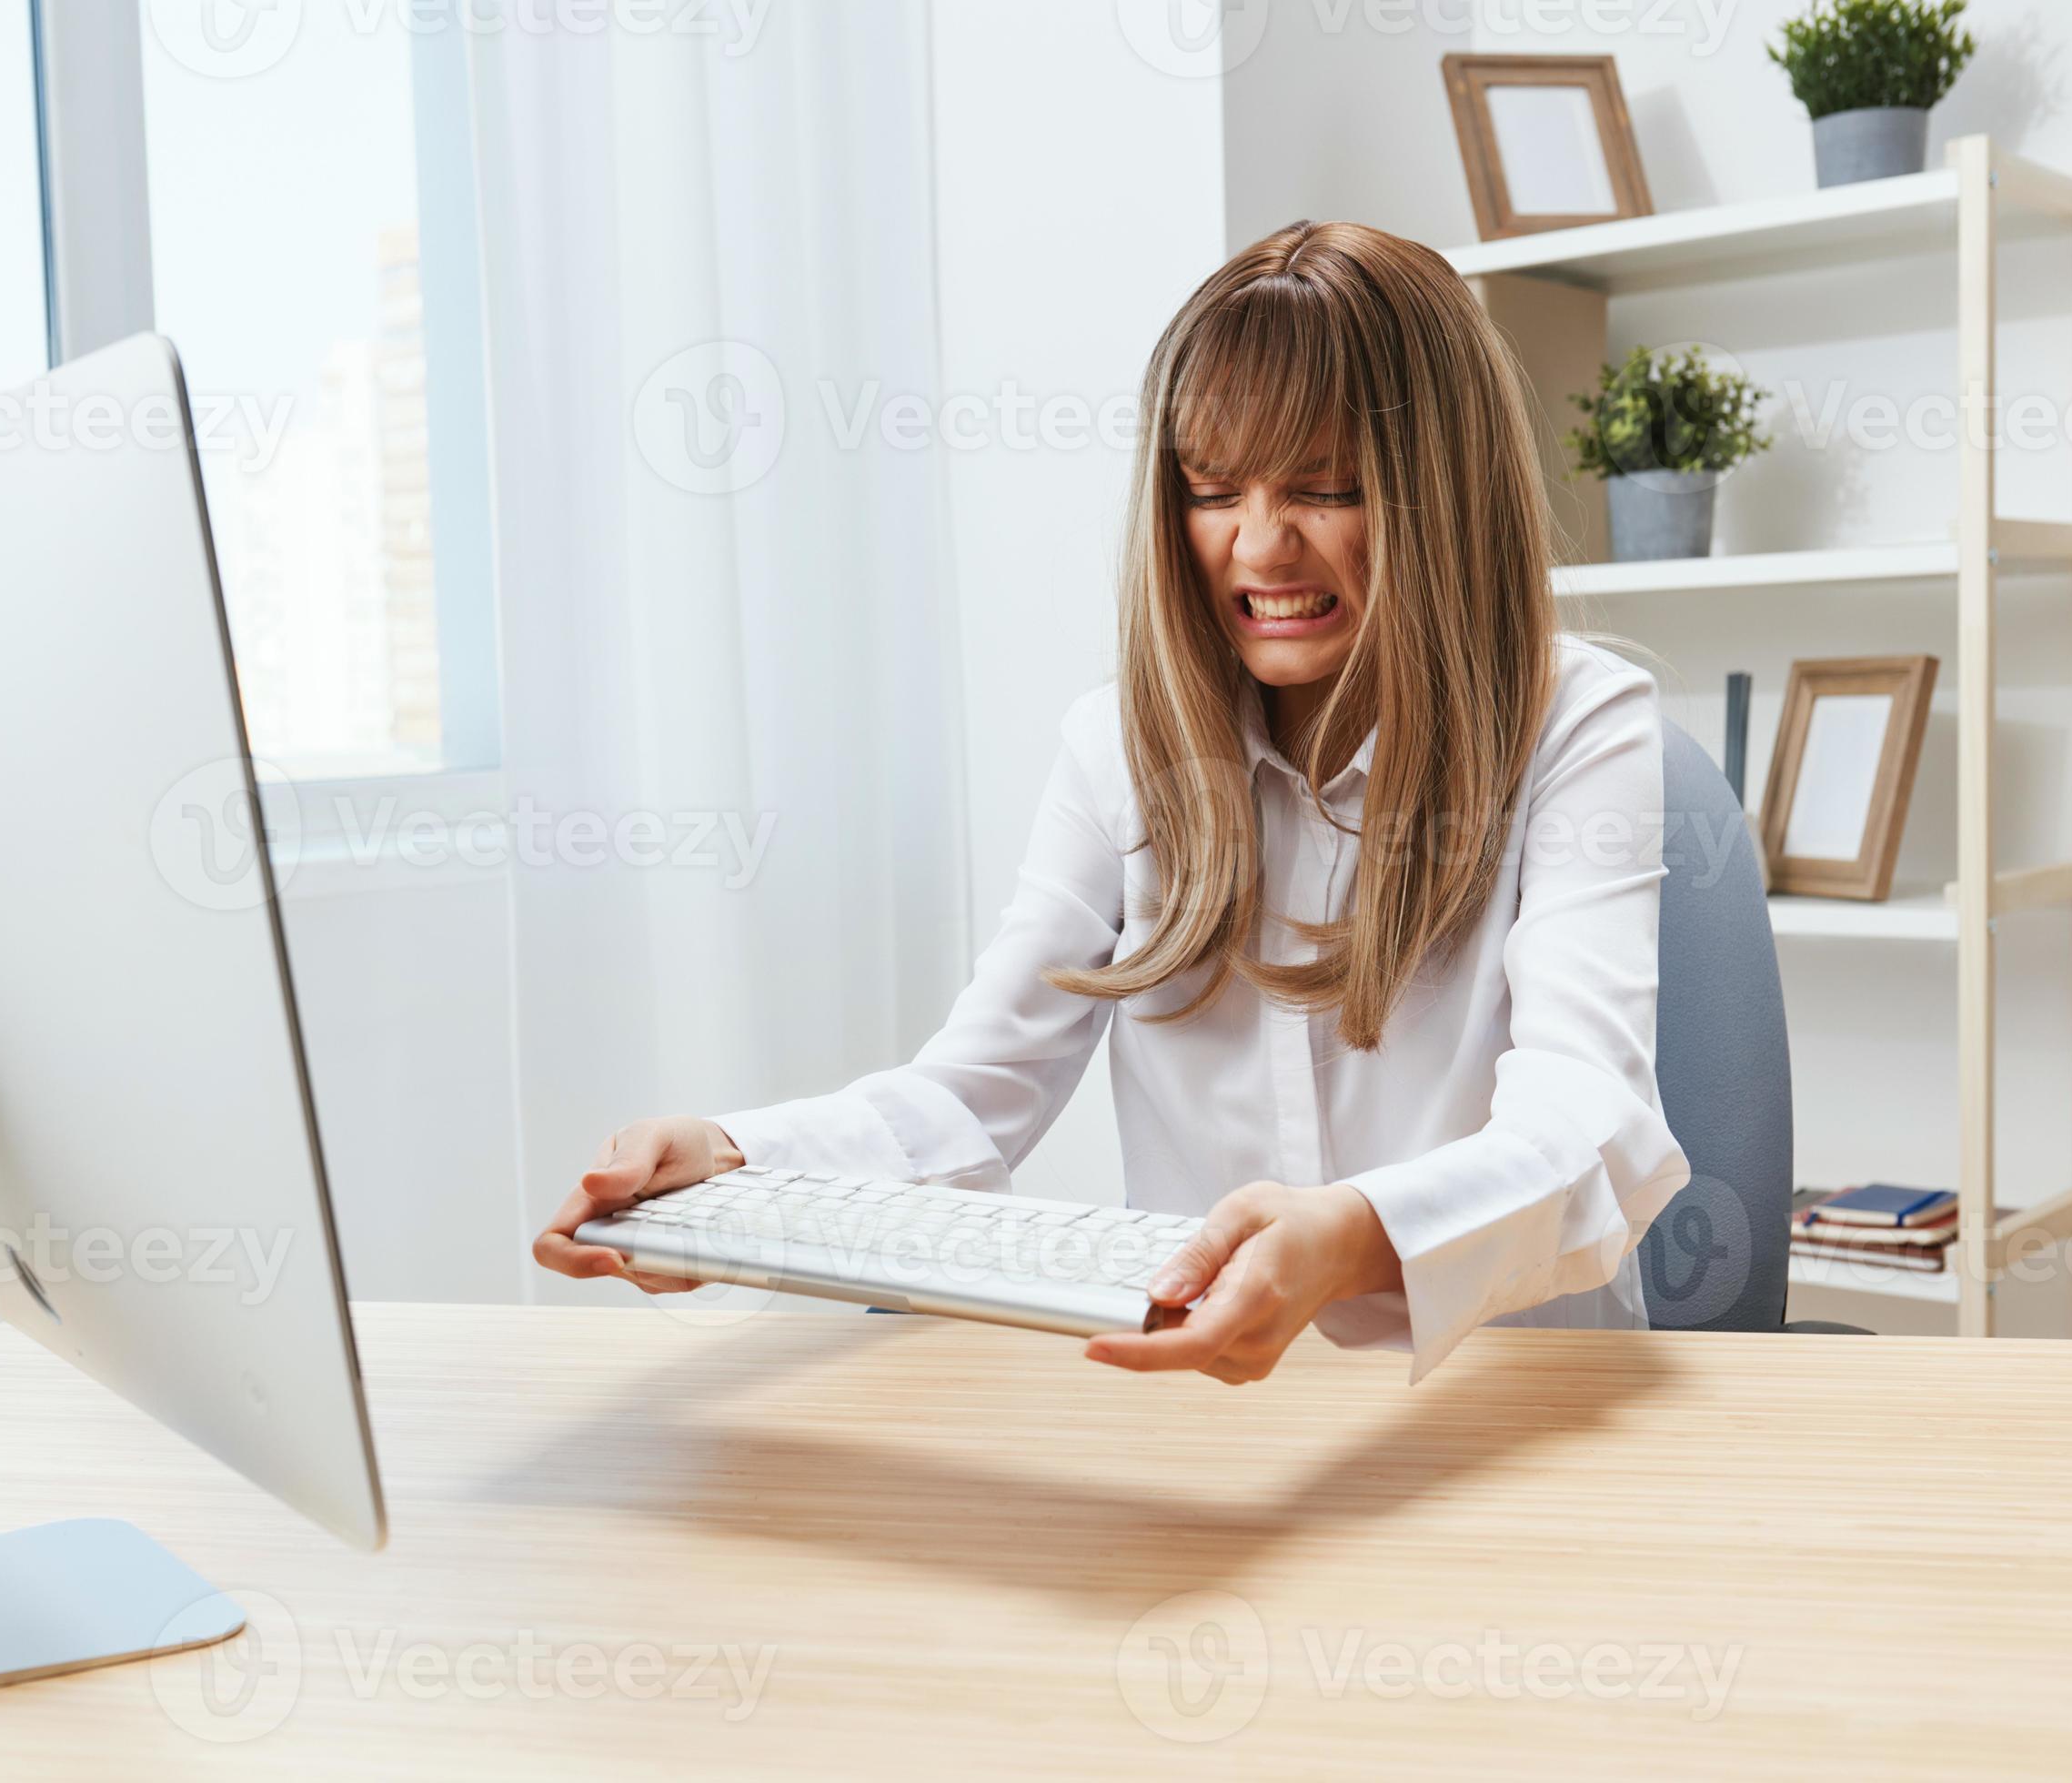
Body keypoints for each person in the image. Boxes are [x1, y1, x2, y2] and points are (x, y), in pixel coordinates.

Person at [534, 220, 1690, 1385]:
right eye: (1212, 490)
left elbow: (1587, 1127)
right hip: (1217, 1409)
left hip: (1512, 1394)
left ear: (1440, 491)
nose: (1259, 547)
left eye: (1325, 488)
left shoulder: (1578, 724)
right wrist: (738, 1161)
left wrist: (1351, 1238)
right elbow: (972, 1098)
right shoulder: (1116, 749)